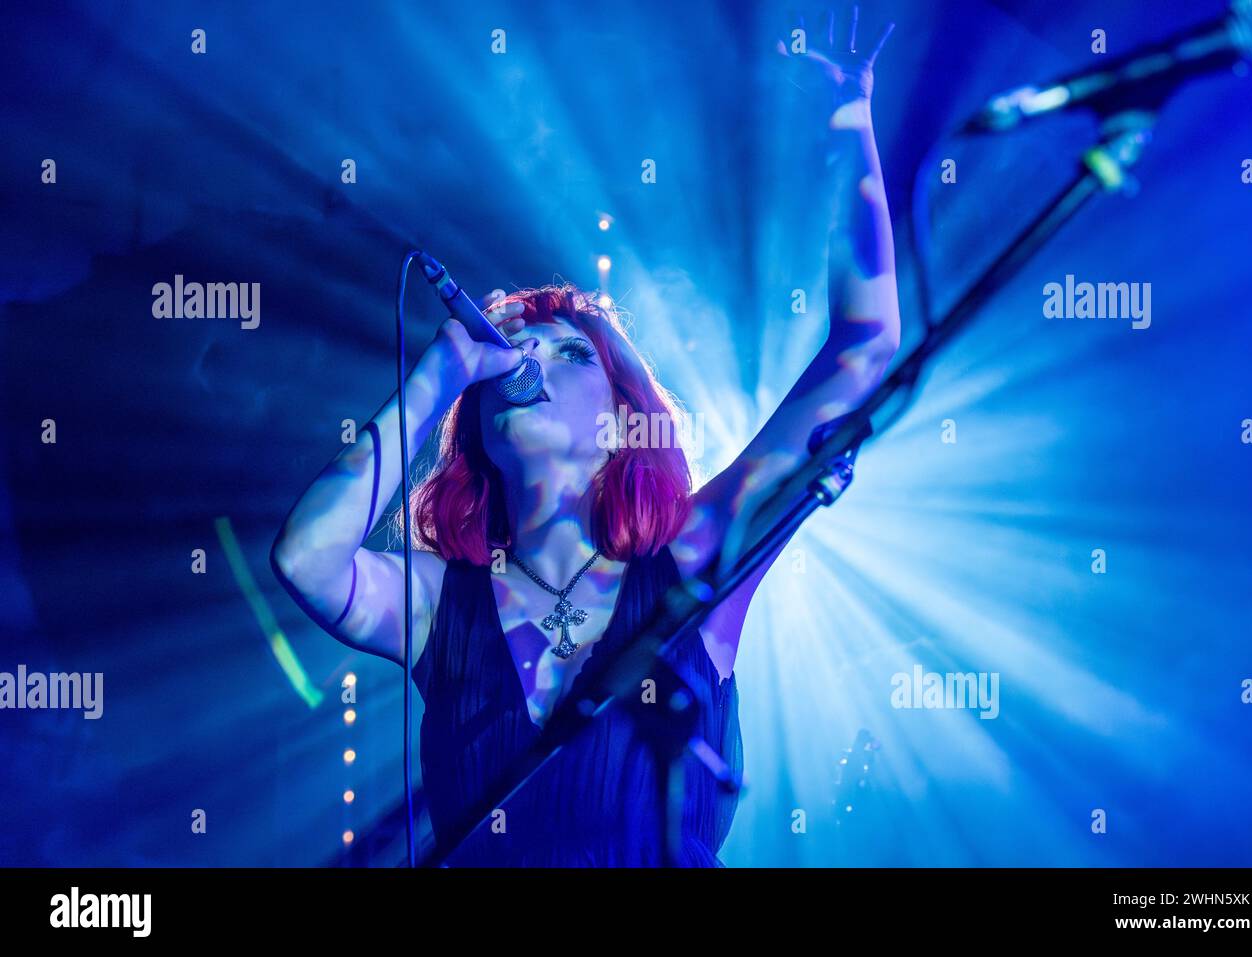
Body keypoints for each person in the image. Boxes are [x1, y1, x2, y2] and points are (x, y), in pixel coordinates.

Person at [270, 27, 900, 866]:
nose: (526, 360)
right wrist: (440, 371)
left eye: (569, 353)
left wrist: (848, 116)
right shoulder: (438, 603)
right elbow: (307, 555)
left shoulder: (692, 562)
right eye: (514, 352)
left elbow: (863, 347)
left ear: (619, 417)